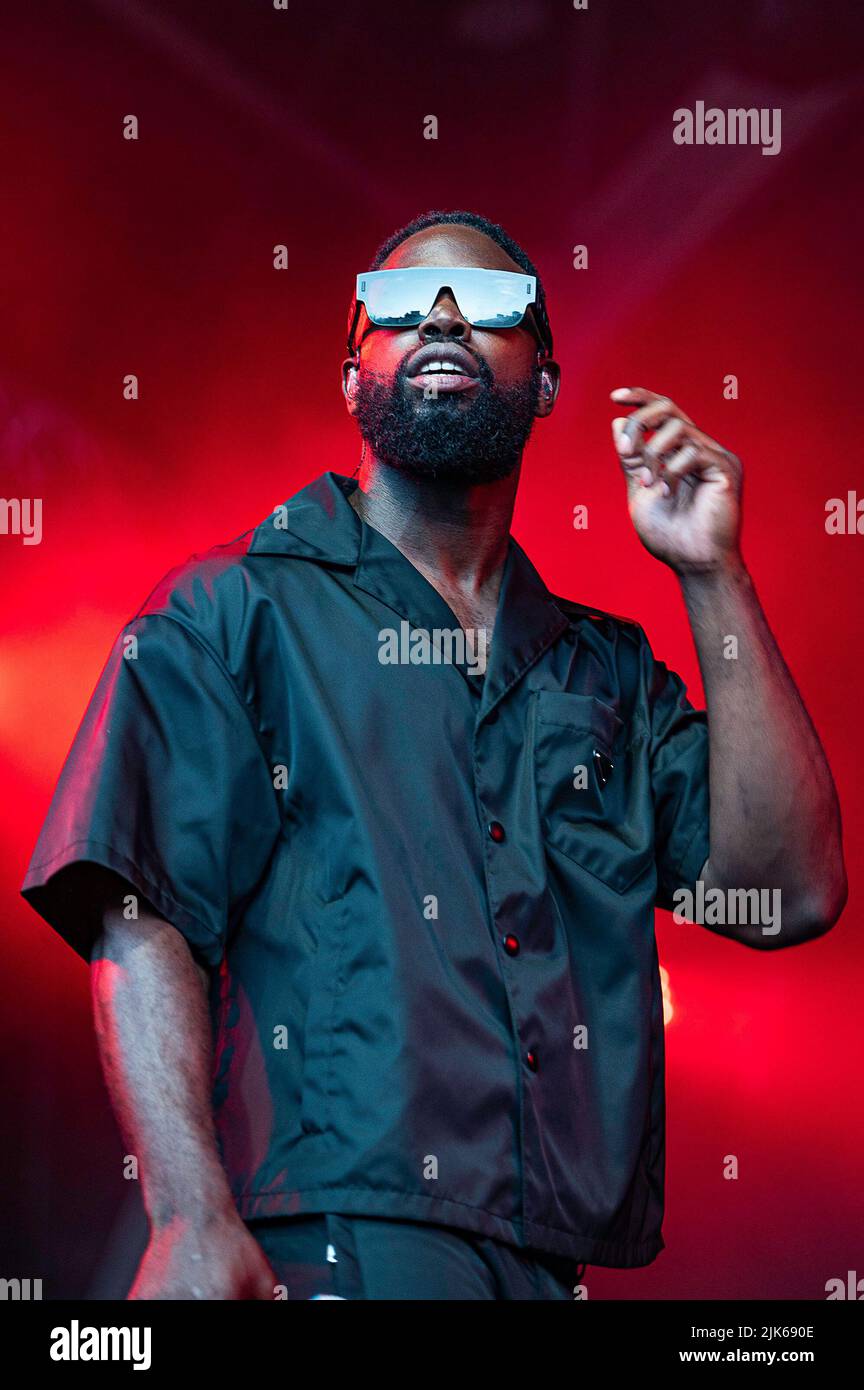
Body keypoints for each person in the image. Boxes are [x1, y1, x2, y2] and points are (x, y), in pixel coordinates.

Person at [21, 209, 846, 1301]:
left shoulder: (609, 673)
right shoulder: (231, 610)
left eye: (490, 305)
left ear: (545, 379)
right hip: (329, 1245)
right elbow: (139, 911)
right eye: (403, 306)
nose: (445, 320)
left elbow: (785, 892)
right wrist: (186, 1211)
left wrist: (713, 575)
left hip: (552, 1268)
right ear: (351, 373)